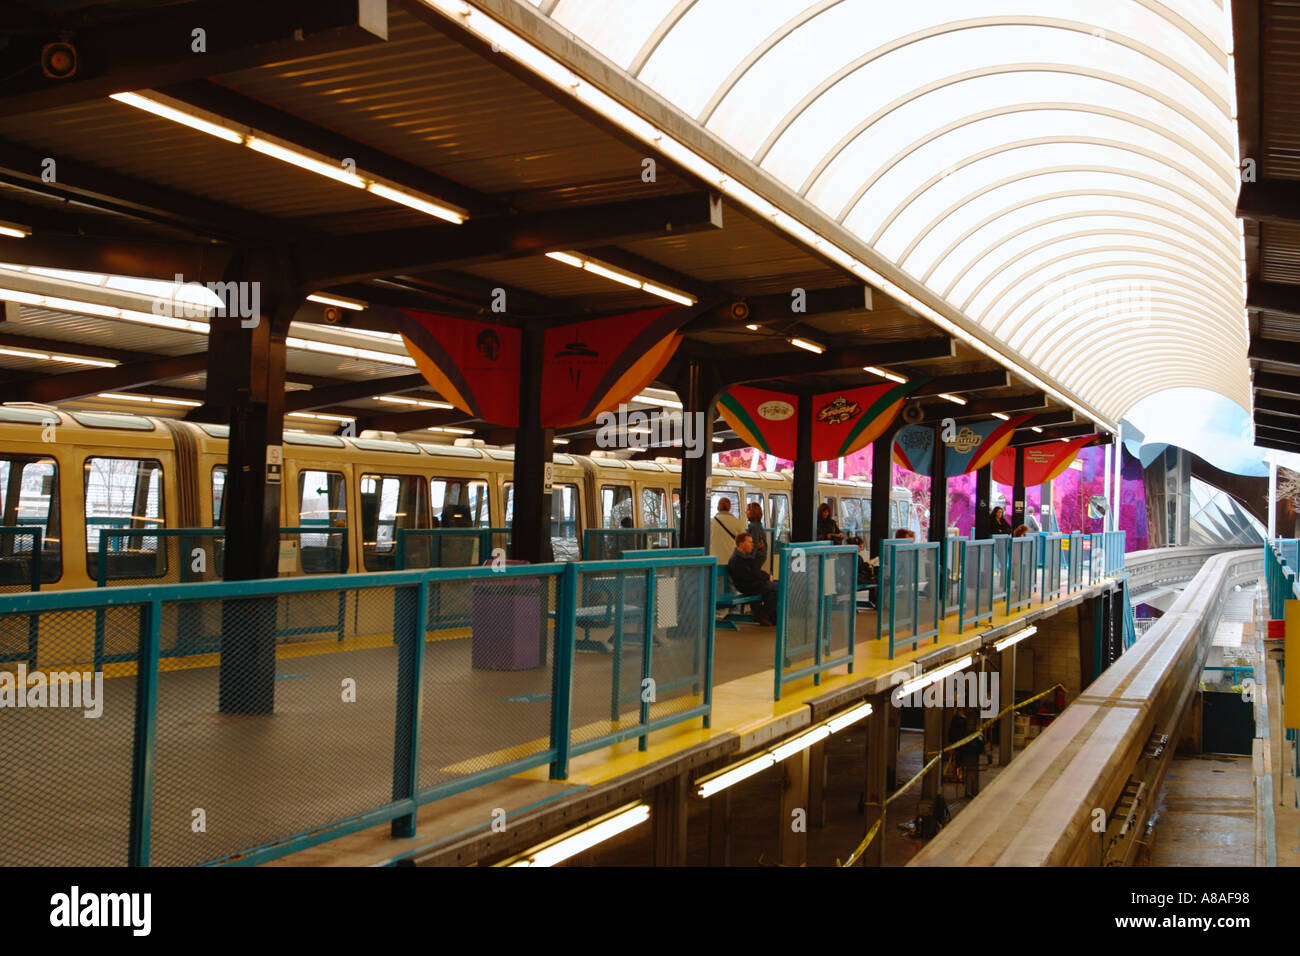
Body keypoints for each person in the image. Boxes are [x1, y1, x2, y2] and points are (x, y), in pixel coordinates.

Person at [727, 532, 778, 625]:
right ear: (741, 544)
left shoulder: (744, 557)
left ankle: (770, 617)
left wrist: (765, 578)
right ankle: (763, 614)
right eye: (750, 542)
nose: (752, 544)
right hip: (747, 587)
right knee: (776, 588)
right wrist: (765, 578)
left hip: (753, 584)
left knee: (775, 588)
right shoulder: (736, 560)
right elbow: (750, 575)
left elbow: (755, 571)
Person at [744, 501, 767, 571]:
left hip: (757, 556)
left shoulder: (754, 527)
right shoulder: (757, 525)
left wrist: (750, 558)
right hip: (760, 555)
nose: (745, 512)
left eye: (747, 510)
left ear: (753, 512)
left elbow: (754, 543)